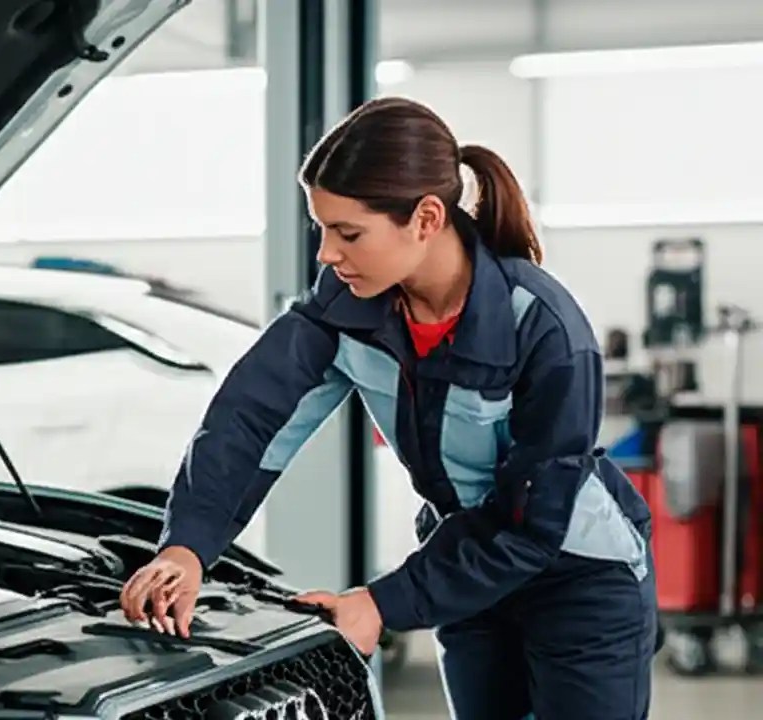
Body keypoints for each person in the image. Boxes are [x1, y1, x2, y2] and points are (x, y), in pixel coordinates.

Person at [119, 97, 658, 719]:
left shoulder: (542, 327)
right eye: (321, 229)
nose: (326, 253)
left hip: (578, 578)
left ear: (426, 218)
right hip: (465, 570)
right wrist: (187, 545)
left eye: (349, 234)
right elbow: (251, 417)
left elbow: (532, 524)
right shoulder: (347, 309)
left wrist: (382, 604)